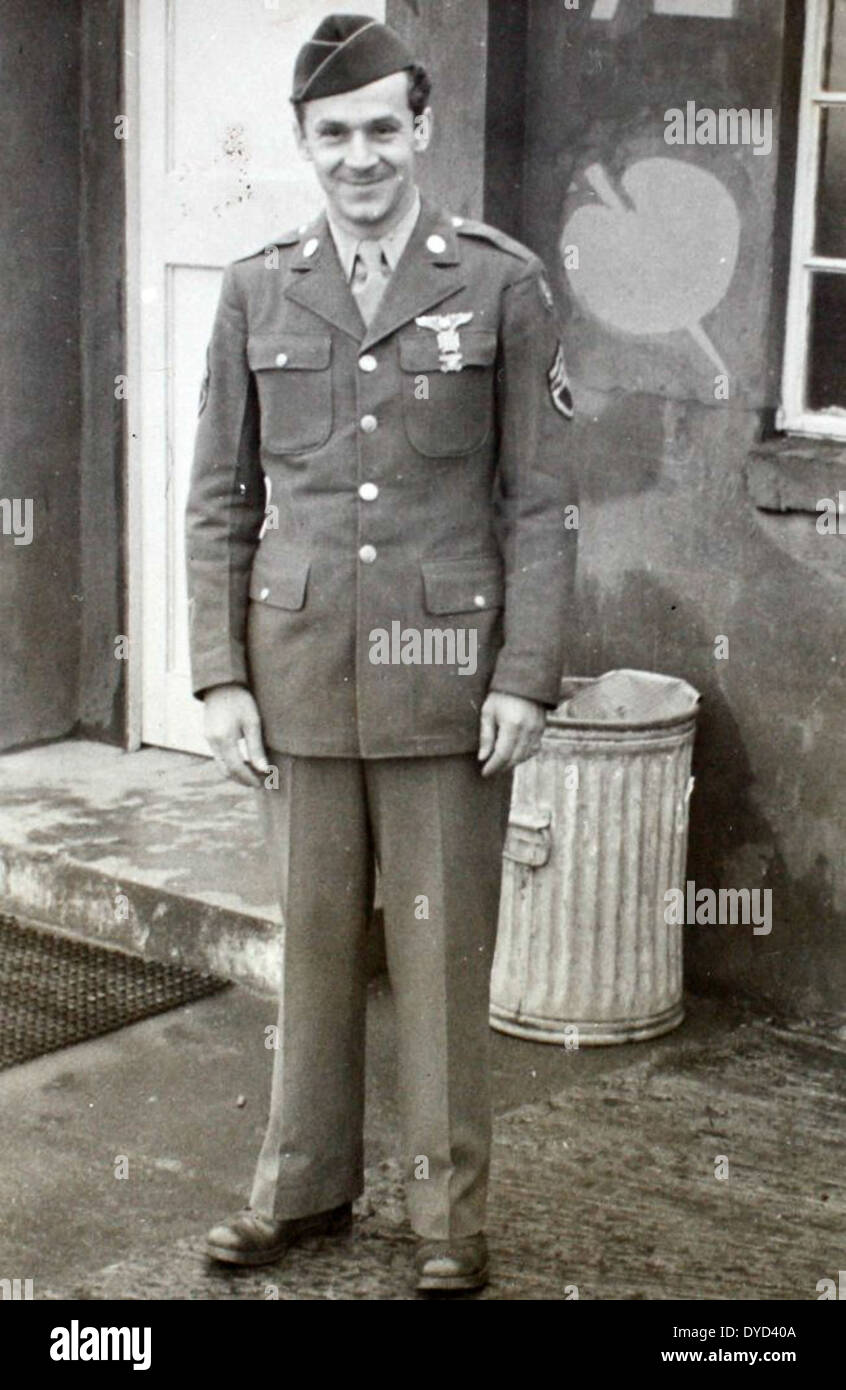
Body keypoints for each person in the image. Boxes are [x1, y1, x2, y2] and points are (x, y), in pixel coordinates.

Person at [185, 12, 577, 1294]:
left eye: (380, 130)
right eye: (333, 135)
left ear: (421, 128)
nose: (360, 157)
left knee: (441, 953)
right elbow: (218, 499)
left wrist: (526, 675)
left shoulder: (501, 282)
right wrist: (218, 674)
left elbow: (539, 504)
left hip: (449, 680)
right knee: (309, 944)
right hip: (295, 668)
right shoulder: (255, 287)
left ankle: (449, 1222)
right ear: (305, 143)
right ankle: (300, 1190)